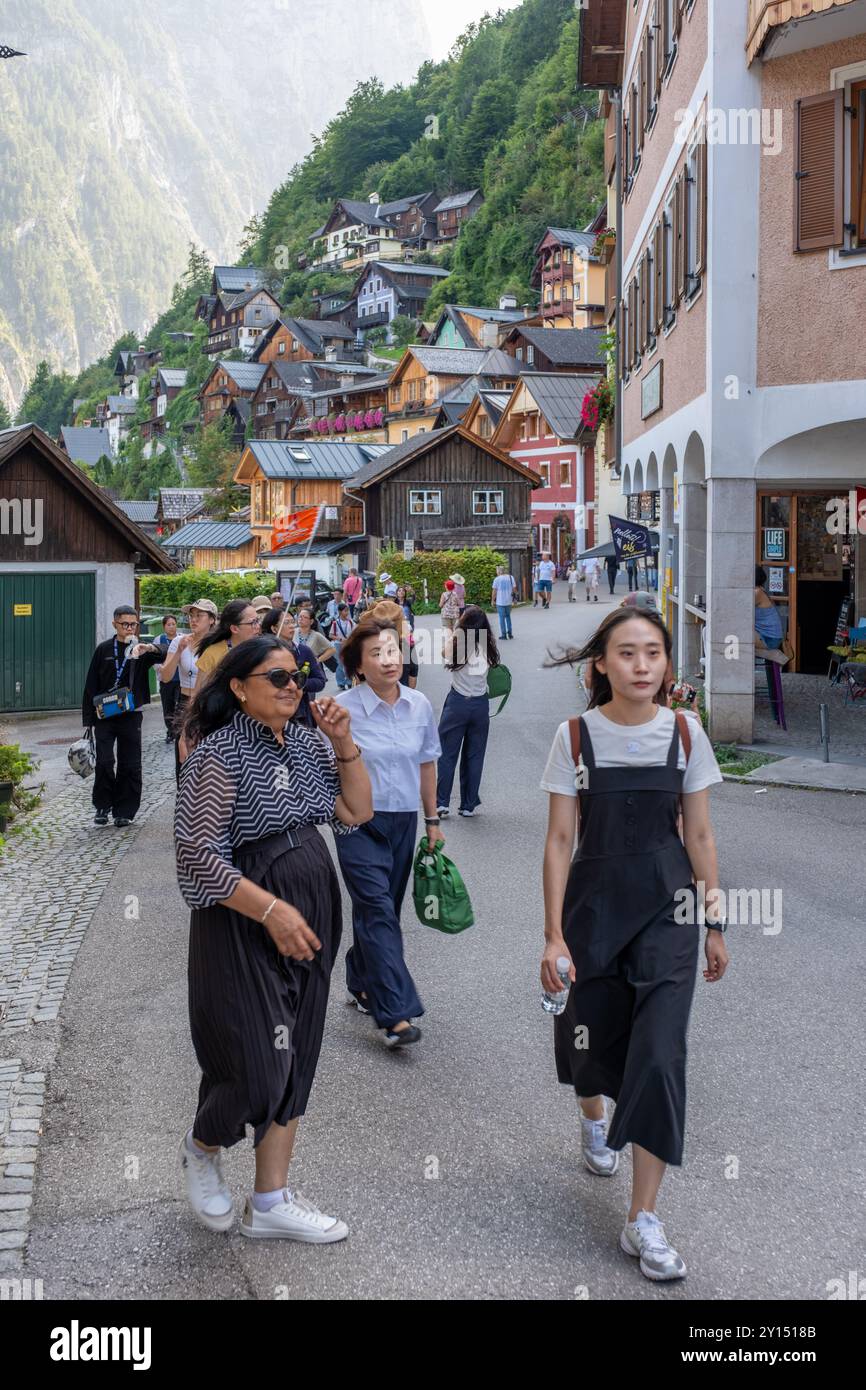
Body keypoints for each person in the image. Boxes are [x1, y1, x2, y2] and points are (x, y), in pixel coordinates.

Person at [540, 608, 728, 1282]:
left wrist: (714, 921)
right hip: (593, 910)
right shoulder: (574, 738)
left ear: (667, 664)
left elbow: (700, 836)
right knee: (586, 1044)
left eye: (654, 653)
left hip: (670, 909)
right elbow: (561, 840)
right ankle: (593, 1117)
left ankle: (642, 1219)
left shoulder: (686, 734)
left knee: (659, 1055)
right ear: (601, 665)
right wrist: (554, 934)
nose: (642, 666)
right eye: (627, 653)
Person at [175, 636, 373, 1241]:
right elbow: (197, 857)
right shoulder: (218, 755)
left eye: (300, 677)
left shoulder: (312, 744)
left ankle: (270, 1202)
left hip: (311, 902)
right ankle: (202, 1147)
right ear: (239, 687)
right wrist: (271, 912)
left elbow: (357, 812)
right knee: (257, 1062)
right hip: (242, 915)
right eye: (278, 677)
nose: (295, 687)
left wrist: (343, 744)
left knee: (298, 1053)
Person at [334, 619, 443, 1047]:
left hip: (404, 820)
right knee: (376, 908)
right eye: (376, 653)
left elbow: (427, 763)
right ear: (358, 666)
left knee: (384, 911)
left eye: (393, 650)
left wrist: (432, 821)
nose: (388, 660)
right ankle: (395, 1014)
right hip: (357, 823)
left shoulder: (420, 705)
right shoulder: (342, 708)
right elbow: (326, 769)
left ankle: (360, 975)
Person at [82, 606, 166, 827]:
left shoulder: (140, 650)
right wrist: (88, 721)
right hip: (105, 716)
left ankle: (125, 811)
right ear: (114, 624)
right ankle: (102, 805)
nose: (129, 628)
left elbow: (165, 652)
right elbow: (91, 685)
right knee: (105, 761)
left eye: (133, 624)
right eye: (125, 624)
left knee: (130, 763)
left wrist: (149, 647)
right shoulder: (104, 650)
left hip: (130, 715)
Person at [436, 607, 499, 819]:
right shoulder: (488, 648)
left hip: (457, 702)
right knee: (474, 756)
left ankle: (442, 803)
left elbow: (444, 653)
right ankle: (468, 805)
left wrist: (454, 631)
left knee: (447, 754)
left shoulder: (458, 646)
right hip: (480, 705)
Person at [159, 599, 219, 781]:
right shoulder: (179, 641)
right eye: (191, 616)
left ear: (211, 620)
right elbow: (166, 677)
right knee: (183, 753)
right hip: (185, 702)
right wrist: (179, 651)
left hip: (210, 703)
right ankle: (184, 797)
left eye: (199, 615)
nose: (193, 620)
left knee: (209, 754)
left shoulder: (218, 645)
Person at [194, 600, 262, 693]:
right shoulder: (212, 654)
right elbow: (197, 695)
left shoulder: (262, 651)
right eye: (253, 622)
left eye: (258, 620)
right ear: (234, 629)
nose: (258, 626)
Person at [754, 565, 785, 721]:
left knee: (735, 633)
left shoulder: (757, 593)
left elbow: (739, 608)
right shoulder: (759, 591)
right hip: (768, 637)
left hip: (769, 640)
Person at [366, 599, 417, 688]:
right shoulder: (406, 645)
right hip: (401, 695)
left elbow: (359, 678)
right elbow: (413, 674)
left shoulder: (367, 645)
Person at [154, 614, 180, 742]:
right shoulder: (159, 639)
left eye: (173, 624)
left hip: (180, 679)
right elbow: (154, 659)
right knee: (168, 707)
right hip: (166, 680)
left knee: (180, 706)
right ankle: (170, 730)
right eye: (168, 624)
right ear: (164, 627)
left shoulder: (182, 639)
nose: (171, 627)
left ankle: (179, 731)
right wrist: (161, 669)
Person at [296, 607, 337, 675]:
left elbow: (332, 649)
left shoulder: (316, 635)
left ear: (311, 621)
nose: (301, 619)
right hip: (296, 669)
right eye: (300, 616)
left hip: (311, 669)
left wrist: (318, 660)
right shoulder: (293, 632)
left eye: (305, 617)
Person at [328, 603, 355, 692]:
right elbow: (330, 635)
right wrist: (339, 638)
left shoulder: (350, 622)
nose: (347, 612)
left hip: (348, 644)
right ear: (340, 611)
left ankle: (349, 681)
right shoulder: (335, 623)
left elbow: (355, 632)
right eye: (345, 610)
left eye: (347, 610)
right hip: (338, 645)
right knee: (340, 663)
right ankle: (341, 683)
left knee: (348, 663)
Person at [491, 565, 516, 641]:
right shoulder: (511, 577)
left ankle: (503, 635)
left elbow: (494, 591)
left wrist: (493, 600)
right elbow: (514, 589)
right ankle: (510, 634)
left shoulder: (497, 579)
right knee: (508, 616)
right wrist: (514, 598)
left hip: (500, 601)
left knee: (501, 618)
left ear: (498, 571)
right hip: (509, 600)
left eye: (496, 571)